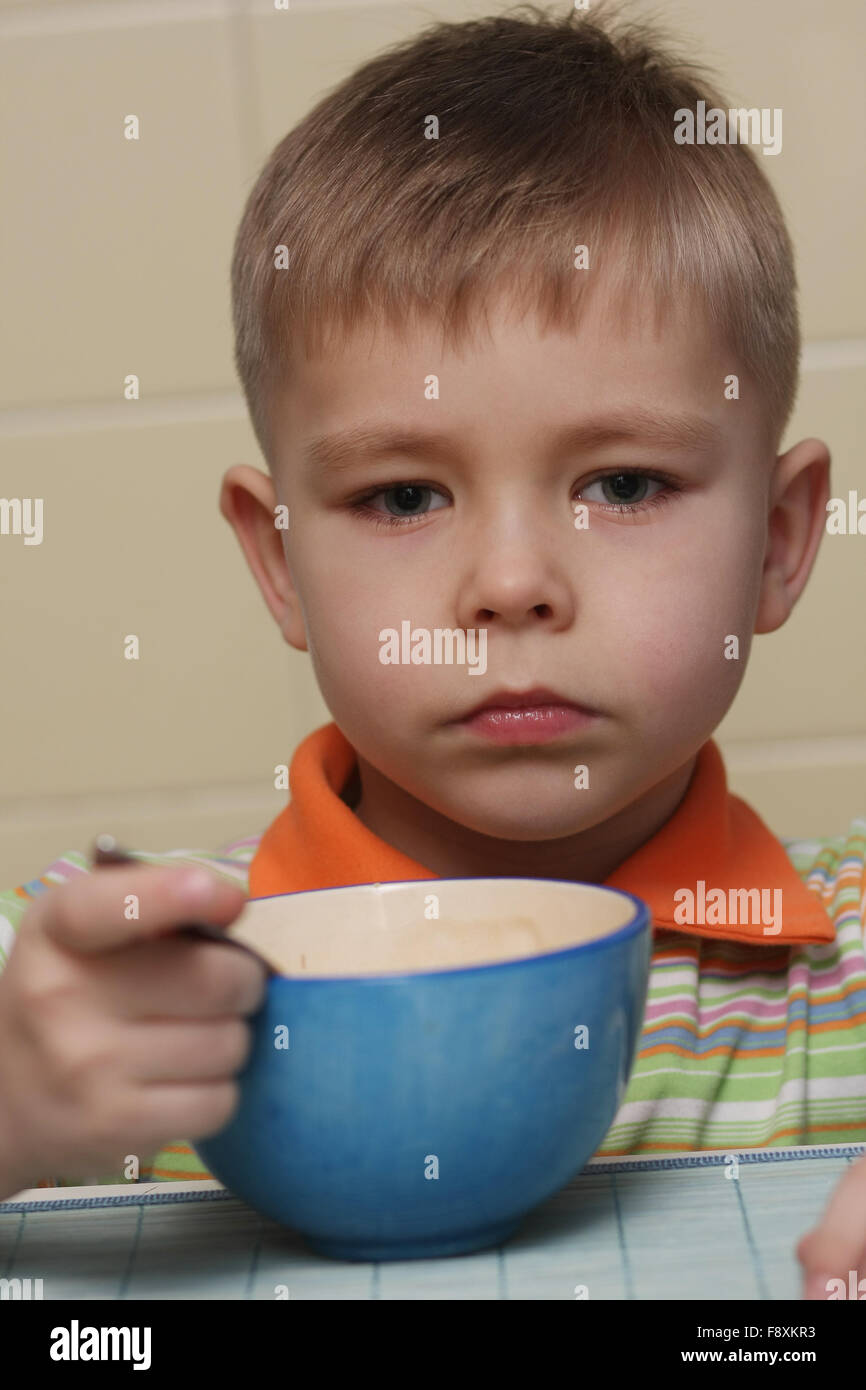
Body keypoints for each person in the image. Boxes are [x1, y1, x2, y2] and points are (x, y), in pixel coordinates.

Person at [0, 5, 863, 1300]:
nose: (510, 585)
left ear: (778, 542)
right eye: (402, 498)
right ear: (279, 559)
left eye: (622, 482)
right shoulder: (93, 975)